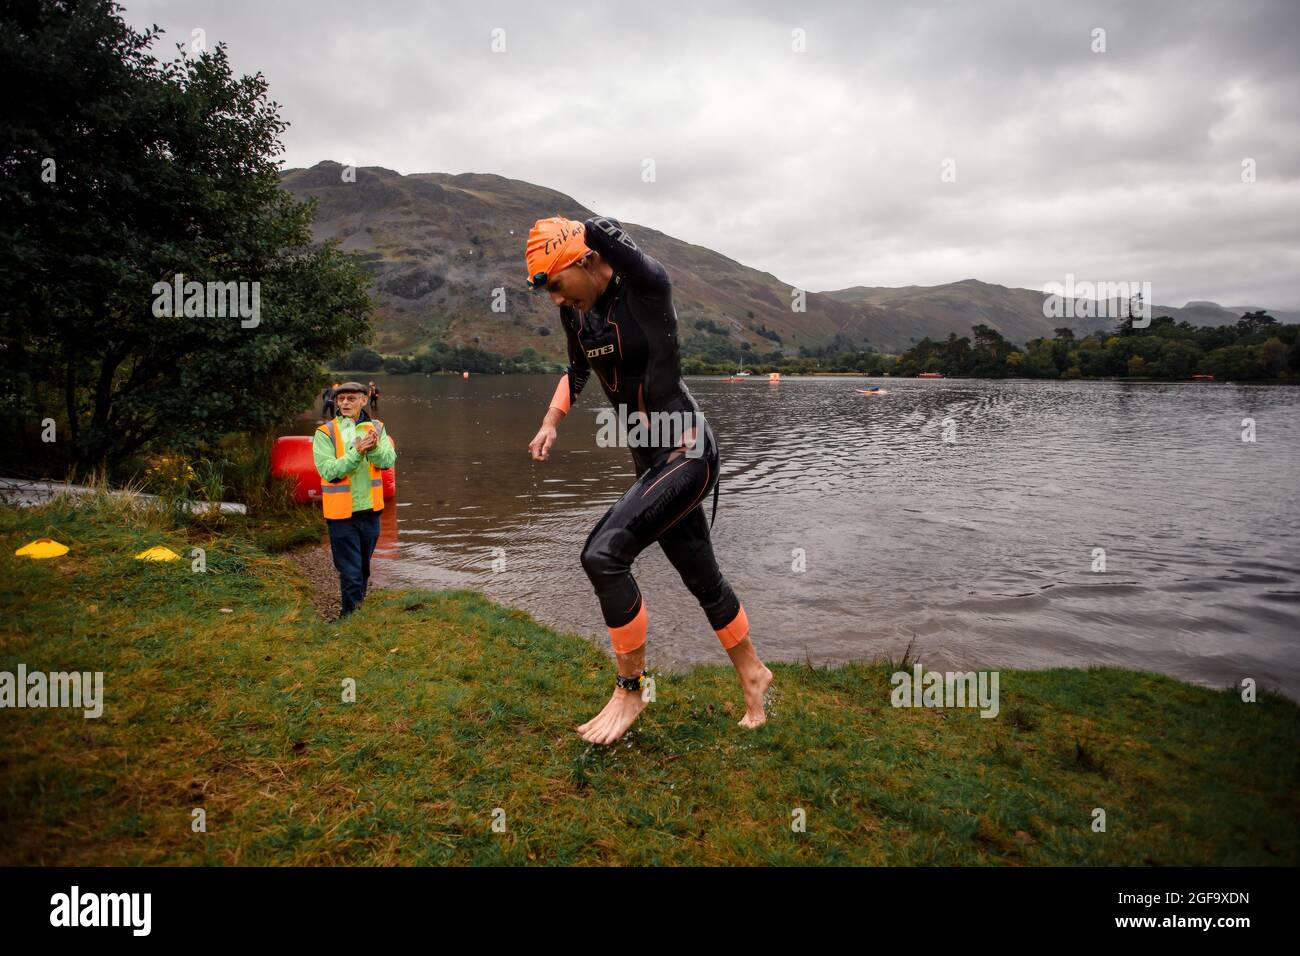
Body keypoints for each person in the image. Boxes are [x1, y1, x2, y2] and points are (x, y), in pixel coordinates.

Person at [524, 215, 772, 745]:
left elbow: (628, 254)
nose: (559, 303)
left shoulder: (647, 290)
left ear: (587, 261)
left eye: (560, 287)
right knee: (700, 575)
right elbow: (576, 371)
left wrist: (588, 226)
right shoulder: (578, 313)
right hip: (648, 457)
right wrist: (550, 423)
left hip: (687, 450)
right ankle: (754, 674)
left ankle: (629, 690)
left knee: (603, 554)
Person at [313, 381, 397, 617]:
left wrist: (372, 449)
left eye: (351, 398)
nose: (345, 403)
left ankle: (356, 612)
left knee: (363, 569)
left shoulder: (378, 428)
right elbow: (329, 471)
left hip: (371, 512)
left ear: (363, 399)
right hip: (341, 514)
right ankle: (350, 617)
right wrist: (357, 451)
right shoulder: (325, 433)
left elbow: (387, 461)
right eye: (341, 399)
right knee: (350, 571)